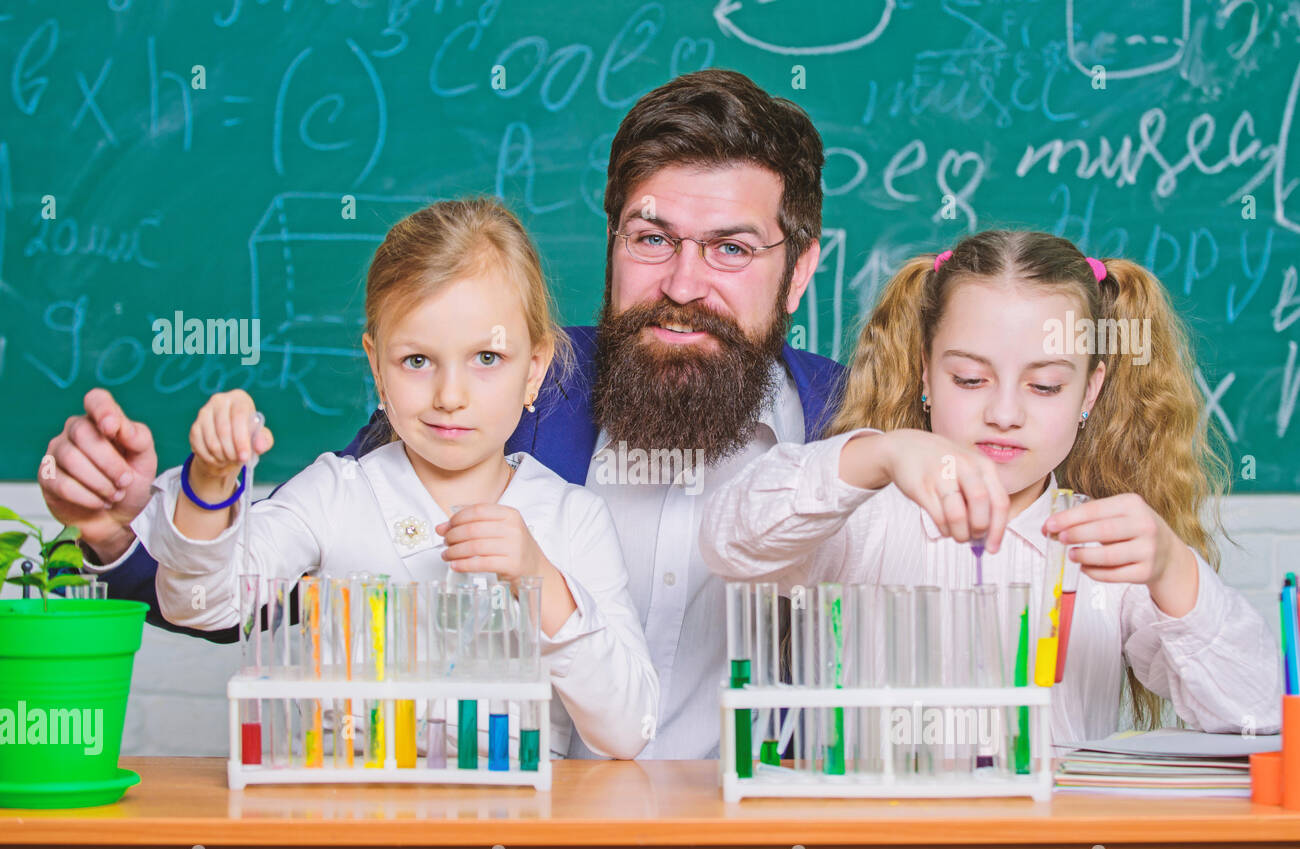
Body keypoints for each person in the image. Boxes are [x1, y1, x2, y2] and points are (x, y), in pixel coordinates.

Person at [40, 69, 846, 758]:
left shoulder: (846, 423)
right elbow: (269, 584)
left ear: (800, 269)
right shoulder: (496, 372)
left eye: (732, 249)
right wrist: (118, 531)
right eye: (651, 238)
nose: (681, 283)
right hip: (516, 844)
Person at [699, 229, 1280, 743]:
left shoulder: (1105, 554)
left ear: (1091, 391)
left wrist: (1173, 570)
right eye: (971, 378)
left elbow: (1257, 714)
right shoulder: (861, 516)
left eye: (1046, 385)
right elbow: (728, 541)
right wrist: (877, 454)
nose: (1004, 413)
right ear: (926, 372)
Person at [130, 197, 659, 760]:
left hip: (507, 833)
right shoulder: (335, 494)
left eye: (486, 358)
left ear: (535, 368)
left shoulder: (571, 521)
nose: (449, 396)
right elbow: (202, 605)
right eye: (415, 361)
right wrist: (209, 485)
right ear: (376, 366)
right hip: (350, 832)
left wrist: (541, 579)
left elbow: (627, 730)